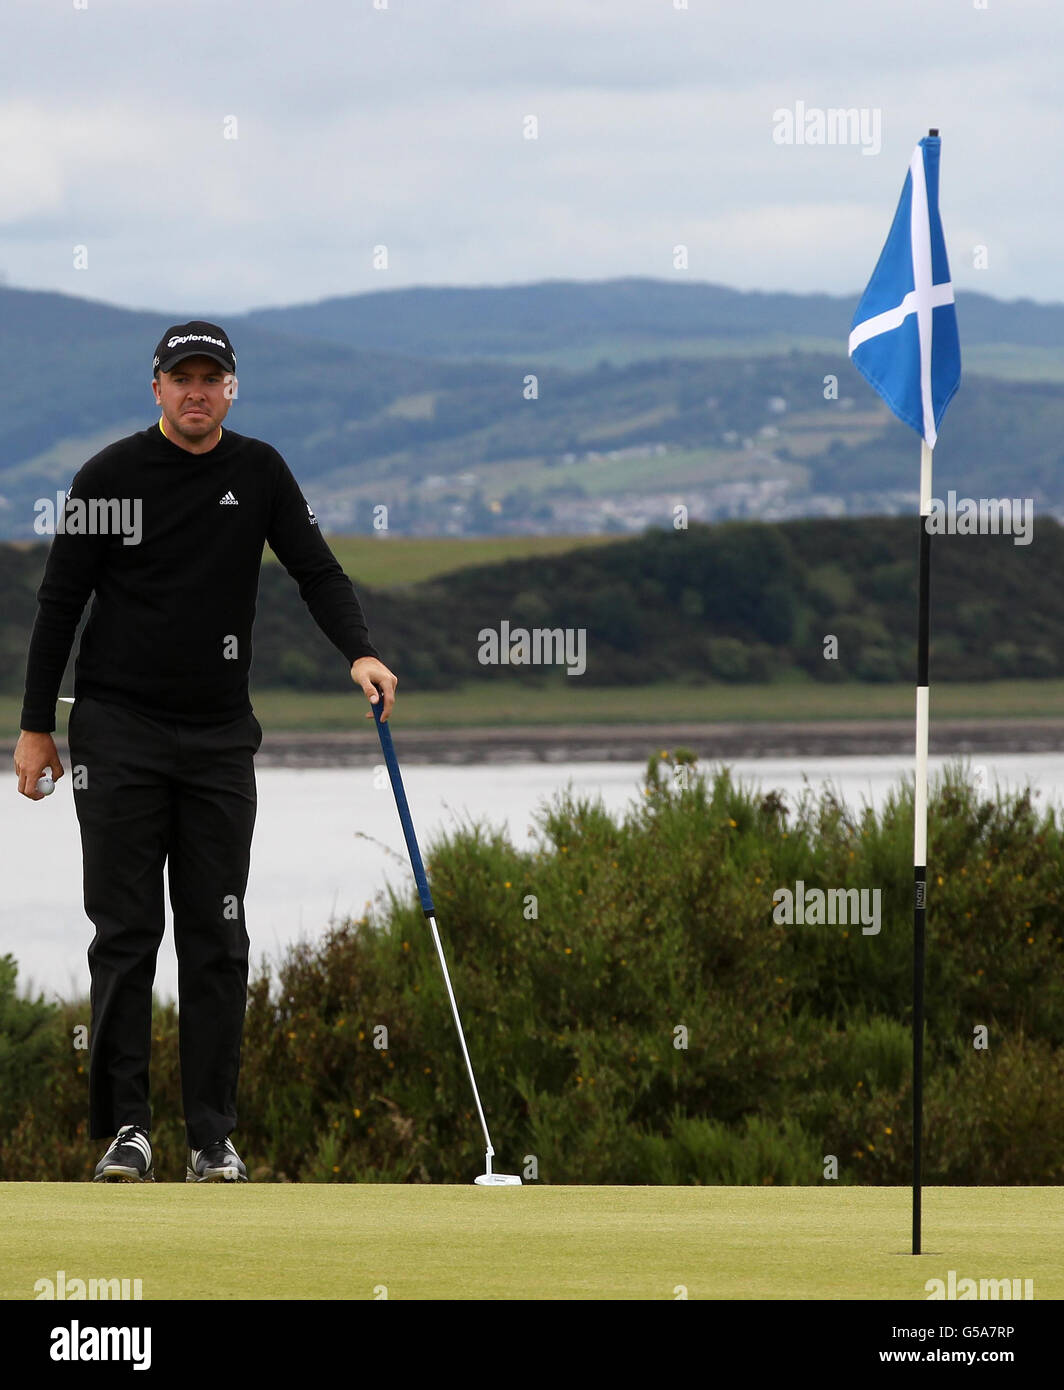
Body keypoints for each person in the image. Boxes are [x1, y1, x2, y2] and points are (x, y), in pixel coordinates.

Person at [13, 320, 397, 1183]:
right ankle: (128, 1131)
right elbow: (59, 604)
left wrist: (359, 651)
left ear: (232, 388)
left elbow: (317, 571)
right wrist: (37, 726)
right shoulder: (108, 476)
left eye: (210, 378)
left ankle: (212, 1136)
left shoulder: (258, 471)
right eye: (180, 378)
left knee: (218, 938)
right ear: (155, 388)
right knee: (125, 933)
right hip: (115, 730)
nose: (196, 391)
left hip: (220, 736)